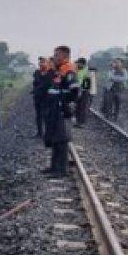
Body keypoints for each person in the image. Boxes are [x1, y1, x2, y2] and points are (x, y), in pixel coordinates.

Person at [41, 46, 79, 176]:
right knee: (55, 138)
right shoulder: (58, 70)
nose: (54, 57)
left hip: (61, 108)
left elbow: (74, 91)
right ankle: (54, 167)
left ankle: (62, 169)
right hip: (54, 108)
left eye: (57, 55)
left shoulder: (69, 72)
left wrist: (63, 101)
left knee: (62, 139)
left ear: (65, 57)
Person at [31, 57, 52, 138]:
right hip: (37, 97)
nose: (41, 63)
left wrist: (39, 87)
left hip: (46, 97)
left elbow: (48, 84)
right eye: (40, 62)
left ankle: (48, 133)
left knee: (46, 115)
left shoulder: (50, 73)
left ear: (47, 63)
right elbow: (36, 83)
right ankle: (40, 132)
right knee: (38, 115)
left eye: (43, 62)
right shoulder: (36, 72)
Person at [74, 58, 94, 127]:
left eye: (78, 63)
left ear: (82, 64)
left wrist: (80, 91)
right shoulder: (79, 70)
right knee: (78, 107)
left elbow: (86, 84)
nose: (77, 64)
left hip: (84, 92)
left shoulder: (87, 71)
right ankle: (77, 122)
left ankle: (82, 123)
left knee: (83, 107)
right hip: (79, 90)